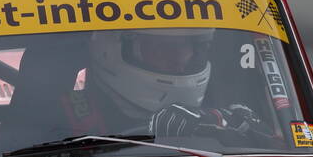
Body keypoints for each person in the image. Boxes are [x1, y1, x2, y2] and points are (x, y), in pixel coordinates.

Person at [62, 28, 264, 141]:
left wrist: (224, 125)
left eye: (197, 46)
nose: (183, 60)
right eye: (164, 47)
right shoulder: (61, 117)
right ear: (109, 49)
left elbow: (281, 147)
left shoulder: (228, 103)